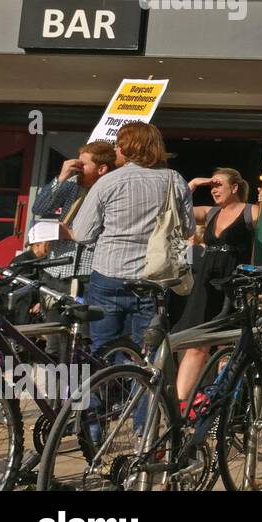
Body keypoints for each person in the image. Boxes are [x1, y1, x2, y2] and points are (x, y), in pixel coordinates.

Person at [68, 123, 192, 352]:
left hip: (109, 274)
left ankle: (104, 385)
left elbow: (83, 234)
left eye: (118, 144)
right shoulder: (174, 180)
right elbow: (187, 230)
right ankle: (140, 386)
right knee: (146, 350)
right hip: (154, 277)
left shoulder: (108, 181)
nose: (115, 149)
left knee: (102, 348)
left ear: (127, 147)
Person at [175, 169, 261, 404]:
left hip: (234, 283)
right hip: (206, 284)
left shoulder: (250, 211)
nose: (213, 189)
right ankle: (180, 406)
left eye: (219, 184)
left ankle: (222, 404)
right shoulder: (210, 212)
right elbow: (175, 214)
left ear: (234, 187)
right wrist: (192, 184)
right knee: (195, 347)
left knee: (228, 346)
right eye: (211, 185)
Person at [30, 142, 118, 288]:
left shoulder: (113, 191)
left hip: (86, 273)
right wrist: (61, 178)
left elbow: (112, 235)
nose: (77, 168)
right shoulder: (72, 183)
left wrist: (70, 234)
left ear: (101, 169)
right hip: (54, 268)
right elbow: (39, 208)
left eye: (82, 164)